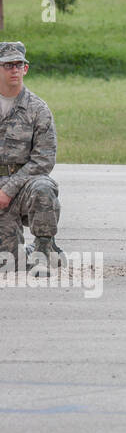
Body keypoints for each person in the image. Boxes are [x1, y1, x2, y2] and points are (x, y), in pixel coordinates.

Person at [0, 41, 64, 276]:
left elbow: (44, 160)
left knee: (43, 187)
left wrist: (8, 190)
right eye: (8, 65)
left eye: (19, 65)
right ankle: (23, 253)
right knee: (8, 263)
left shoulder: (37, 109)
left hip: (23, 188)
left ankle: (44, 250)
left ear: (25, 69)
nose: (14, 70)